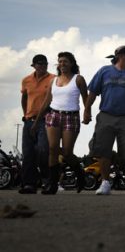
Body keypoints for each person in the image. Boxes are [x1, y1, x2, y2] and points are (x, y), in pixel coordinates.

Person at [83, 45, 125, 195]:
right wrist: (87, 110)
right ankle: (105, 183)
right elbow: (92, 93)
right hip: (106, 115)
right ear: (121, 56)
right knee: (102, 149)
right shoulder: (104, 71)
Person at [31, 52, 88, 194]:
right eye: (60, 61)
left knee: (67, 152)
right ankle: (52, 185)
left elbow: (86, 99)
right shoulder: (53, 80)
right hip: (53, 116)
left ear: (72, 64)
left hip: (71, 117)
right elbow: (46, 101)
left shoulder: (78, 79)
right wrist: (36, 122)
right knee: (53, 149)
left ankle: (80, 173)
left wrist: (87, 113)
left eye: (65, 62)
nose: (62, 64)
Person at [19, 54, 54, 194]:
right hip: (29, 120)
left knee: (43, 151)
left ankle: (47, 182)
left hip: (45, 120)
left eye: (44, 63)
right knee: (27, 154)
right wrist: (25, 115)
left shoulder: (53, 79)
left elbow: (51, 100)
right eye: (39, 63)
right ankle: (29, 184)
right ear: (33, 65)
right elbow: (24, 97)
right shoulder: (26, 80)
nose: (42, 66)